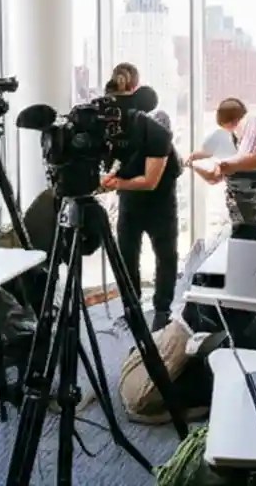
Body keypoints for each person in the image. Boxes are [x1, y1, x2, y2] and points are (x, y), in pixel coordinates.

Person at [102, 76, 182, 331]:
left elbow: (150, 181)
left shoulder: (157, 130)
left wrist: (116, 183)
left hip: (160, 203)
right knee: (126, 256)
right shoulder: (112, 132)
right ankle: (131, 307)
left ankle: (162, 309)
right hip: (130, 203)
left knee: (165, 256)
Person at [186, 98, 256, 239]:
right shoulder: (252, 129)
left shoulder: (250, 134)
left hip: (252, 204)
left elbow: (216, 175)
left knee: (249, 237)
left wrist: (194, 164)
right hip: (253, 203)